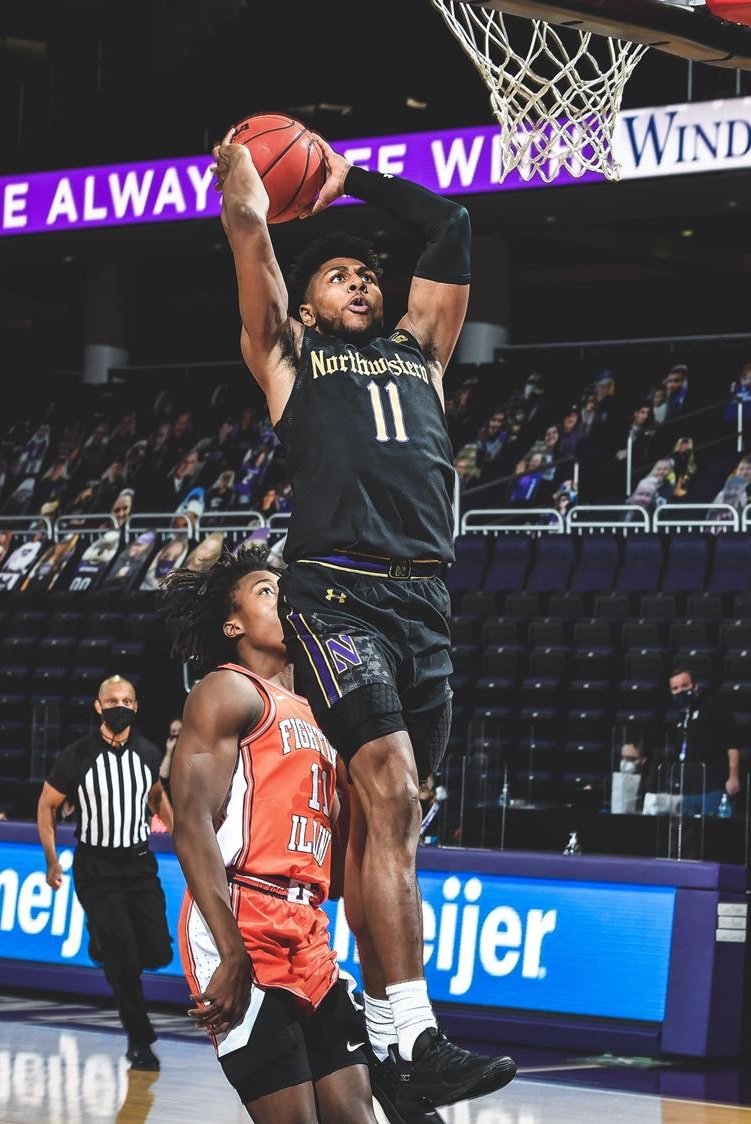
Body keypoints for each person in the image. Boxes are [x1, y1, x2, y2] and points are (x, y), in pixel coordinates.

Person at [215, 130, 514, 1105]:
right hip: (335, 589)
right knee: (384, 782)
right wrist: (250, 195)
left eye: (366, 274)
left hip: (424, 599)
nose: (359, 283)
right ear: (306, 300)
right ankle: (418, 1034)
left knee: (391, 820)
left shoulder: (418, 352)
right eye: (337, 273)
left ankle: (387, 1040)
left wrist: (351, 181)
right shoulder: (290, 358)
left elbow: (452, 223)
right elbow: (251, 243)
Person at [161, 543, 383, 1123]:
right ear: (233, 624)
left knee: (357, 1114)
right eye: (267, 590)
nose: (283, 599)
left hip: (307, 926)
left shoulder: (319, 708)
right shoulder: (226, 689)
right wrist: (231, 950)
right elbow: (190, 828)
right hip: (241, 915)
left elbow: (334, 871)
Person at [37, 675, 175, 1071]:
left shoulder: (148, 754)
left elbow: (160, 804)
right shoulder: (78, 756)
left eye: (128, 700)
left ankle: (101, 942)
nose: (120, 706)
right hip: (96, 867)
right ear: (98, 706)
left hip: (139, 864)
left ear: (136, 707)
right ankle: (140, 1039)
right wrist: (50, 859)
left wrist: (186, 841)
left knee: (157, 952)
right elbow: (47, 805)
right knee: (125, 958)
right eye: (112, 699)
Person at [661, 671, 742, 819]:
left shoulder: (714, 707)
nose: (680, 691)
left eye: (685, 686)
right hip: (687, 791)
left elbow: (733, 743)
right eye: (675, 688)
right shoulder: (679, 717)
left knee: (712, 835)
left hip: (713, 787)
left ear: (695, 686)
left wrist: (733, 776)